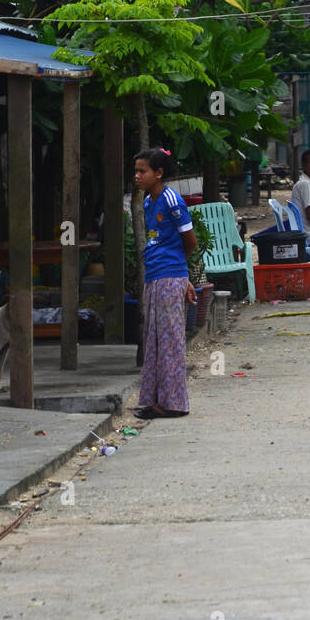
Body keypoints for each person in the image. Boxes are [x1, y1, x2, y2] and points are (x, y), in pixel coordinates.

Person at [133, 148, 197, 420]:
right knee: (155, 340)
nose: (137, 176)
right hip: (155, 276)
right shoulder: (149, 201)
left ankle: (174, 404)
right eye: (135, 171)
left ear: (158, 173)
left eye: (142, 171)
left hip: (168, 276)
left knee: (170, 340)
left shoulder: (172, 201)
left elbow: (190, 242)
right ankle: (155, 399)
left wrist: (179, 276)